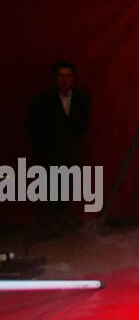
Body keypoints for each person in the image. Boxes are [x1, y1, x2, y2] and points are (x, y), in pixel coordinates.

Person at [27, 61, 91, 233]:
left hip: (69, 152)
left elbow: (82, 126)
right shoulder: (43, 100)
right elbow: (35, 126)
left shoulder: (82, 99)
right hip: (48, 152)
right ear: (55, 78)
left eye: (68, 76)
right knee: (46, 188)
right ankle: (46, 224)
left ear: (73, 79)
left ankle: (60, 222)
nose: (64, 80)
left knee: (65, 187)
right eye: (61, 76)